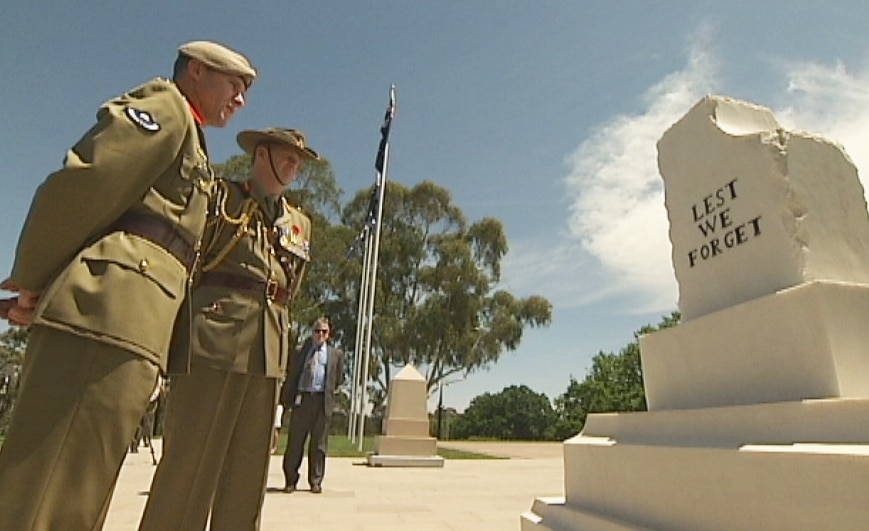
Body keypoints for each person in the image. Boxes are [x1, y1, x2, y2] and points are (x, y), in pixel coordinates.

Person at [0, 41, 255, 531]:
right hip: (103, 315)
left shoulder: (194, 139)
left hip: (133, 326)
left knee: (79, 490)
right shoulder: (167, 108)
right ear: (197, 72)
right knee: (47, 488)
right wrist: (34, 276)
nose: (241, 99)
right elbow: (89, 182)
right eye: (234, 84)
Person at [138, 127, 318, 530]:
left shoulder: (299, 223)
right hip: (214, 341)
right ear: (260, 154)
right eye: (286, 156)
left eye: (298, 160)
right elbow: (186, 266)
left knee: (248, 476)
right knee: (189, 465)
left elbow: (289, 289)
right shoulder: (220, 198)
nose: (294, 165)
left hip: (268, 351)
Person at [281, 317, 344, 494]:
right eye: (317, 331)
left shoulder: (335, 355)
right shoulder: (301, 351)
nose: (320, 335)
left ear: (328, 334)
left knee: (319, 444)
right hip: (303, 400)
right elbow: (293, 373)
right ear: (312, 332)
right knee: (295, 442)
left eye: (324, 332)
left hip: (322, 401)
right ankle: (290, 480)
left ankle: (315, 481)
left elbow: (338, 378)